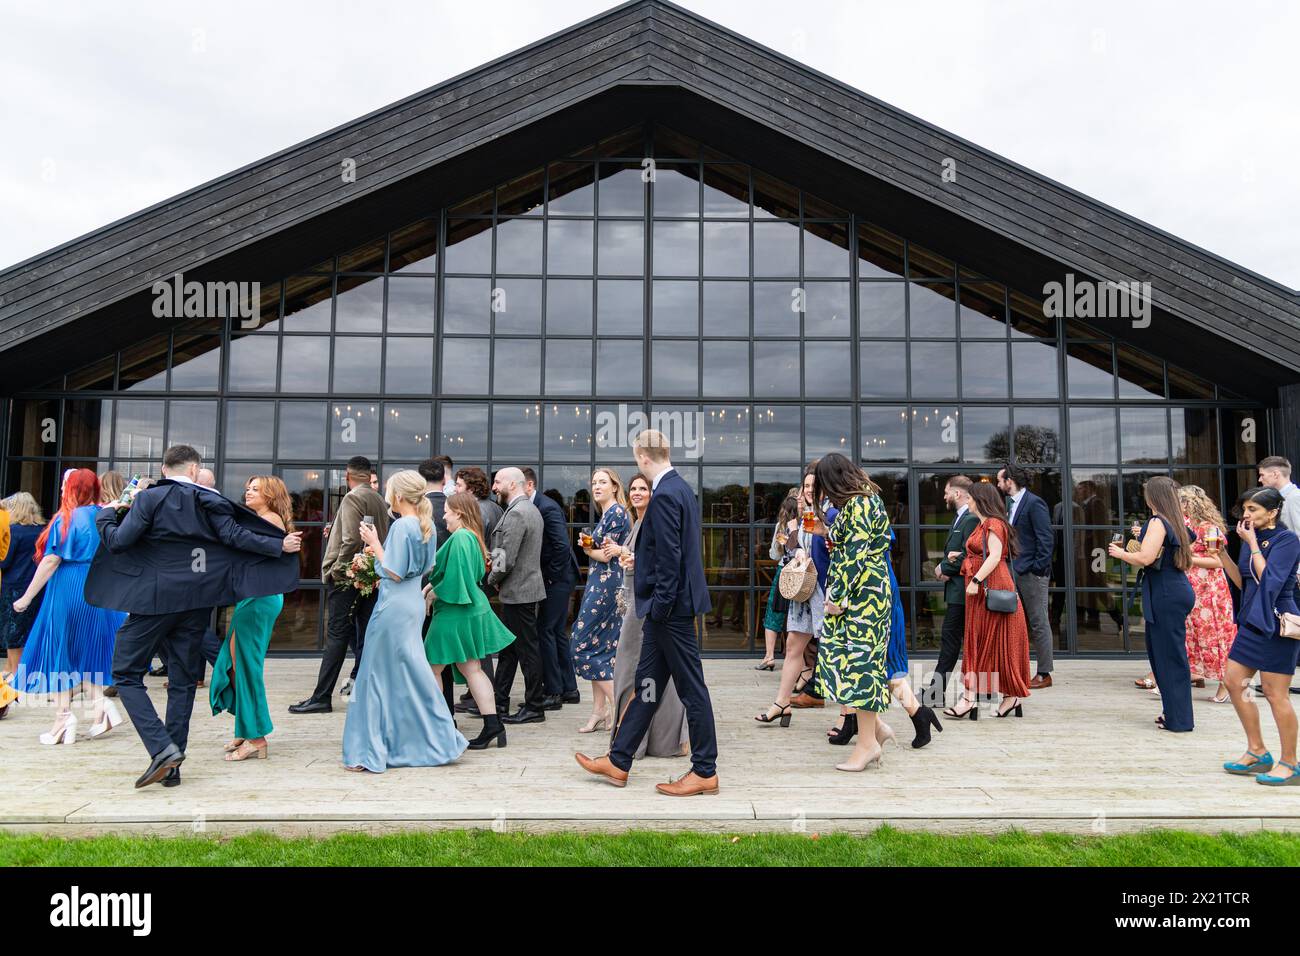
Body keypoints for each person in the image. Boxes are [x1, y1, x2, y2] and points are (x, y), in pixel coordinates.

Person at [85, 445, 300, 788]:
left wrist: (106, 516)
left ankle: (161, 749)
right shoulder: (209, 500)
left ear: (163, 467)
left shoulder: (149, 499)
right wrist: (278, 547)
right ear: (195, 469)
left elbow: (118, 543)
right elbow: (234, 536)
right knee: (183, 682)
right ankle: (172, 769)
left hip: (153, 603)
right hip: (197, 602)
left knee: (125, 674)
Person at [576, 429, 719, 797]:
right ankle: (620, 759)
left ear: (642, 456)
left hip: (669, 612)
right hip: (665, 611)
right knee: (648, 687)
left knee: (692, 689)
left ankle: (705, 770)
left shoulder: (667, 494)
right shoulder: (680, 489)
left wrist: (658, 608)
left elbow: (671, 562)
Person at [343, 471, 467, 771]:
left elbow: (395, 571)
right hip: (411, 602)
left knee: (377, 674)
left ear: (398, 495)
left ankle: (371, 748)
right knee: (410, 673)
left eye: (388, 490)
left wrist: (374, 544)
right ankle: (436, 737)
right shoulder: (426, 526)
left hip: (394, 605)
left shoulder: (401, 526)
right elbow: (427, 566)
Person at [12, 469, 126, 744]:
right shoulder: (103, 515)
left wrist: (26, 598)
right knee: (88, 648)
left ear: (72, 489)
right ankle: (100, 706)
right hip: (97, 588)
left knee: (61, 648)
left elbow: (51, 561)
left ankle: (64, 717)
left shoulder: (66, 518)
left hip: (68, 587)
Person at [805, 454, 895, 773]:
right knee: (853, 661)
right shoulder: (867, 501)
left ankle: (867, 743)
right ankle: (876, 728)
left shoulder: (858, 505)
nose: (825, 495)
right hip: (869, 590)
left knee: (860, 664)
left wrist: (837, 597)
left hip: (862, 596)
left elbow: (853, 557)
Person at [290, 456, 389, 714]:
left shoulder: (352, 497)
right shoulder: (379, 499)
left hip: (349, 578)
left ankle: (322, 697)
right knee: (366, 636)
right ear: (369, 475)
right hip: (370, 576)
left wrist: (338, 569)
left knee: (336, 636)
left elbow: (350, 539)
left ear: (348, 476)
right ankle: (366, 693)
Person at [1217, 487, 1300, 784]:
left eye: (1253, 509)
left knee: (1276, 694)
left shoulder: (1286, 540)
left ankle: (1290, 763)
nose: (1246, 515)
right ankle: (1257, 751)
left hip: (1276, 623)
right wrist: (1223, 554)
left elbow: (1271, 582)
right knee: (1233, 681)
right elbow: (1245, 581)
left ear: (1273, 511)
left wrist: (1252, 544)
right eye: (1245, 510)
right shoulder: (1250, 538)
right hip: (1251, 621)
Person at [209, 476, 295, 762]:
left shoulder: (269, 519)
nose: (248, 491)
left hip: (261, 598)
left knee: (246, 667)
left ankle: (256, 738)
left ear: (270, 495)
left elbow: (248, 546)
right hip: (253, 596)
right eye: (247, 487)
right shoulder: (261, 519)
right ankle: (245, 727)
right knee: (232, 663)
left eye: (256, 489)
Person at [423, 492, 516, 750]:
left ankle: (439, 725)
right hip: (469, 608)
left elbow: (456, 579)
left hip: (455, 611)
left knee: (433, 668)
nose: (443, 516)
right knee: (472, 669)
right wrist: (433, 587)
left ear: (459, 513)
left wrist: (433, 591)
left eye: (447, 512)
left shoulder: (461, 537)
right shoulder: (471, 537)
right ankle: (492, 725)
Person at [607, 473, 688, 759]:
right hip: (634, 605)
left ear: (653, 494)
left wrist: (631, 557)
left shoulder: (654, 520)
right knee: (650, 675)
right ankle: (646, 741)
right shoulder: (638, 522)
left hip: (645, 610)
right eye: (634, 488)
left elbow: (666, 562)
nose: (637, 492)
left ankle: (637, 741)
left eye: (643, 488)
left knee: (631, 671)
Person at [1107, 476, 1196, 732]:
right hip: (1173, 588)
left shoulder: (1158, 521)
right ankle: (1173, 714)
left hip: (1166, 592)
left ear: (1153, 496)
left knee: (1168, 657)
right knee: (1165, 656)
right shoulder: (1173, 520)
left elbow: (1146, 557)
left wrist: (1120, 553)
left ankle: (1179, 720)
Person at [947, 481, 1031, 720]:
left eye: (971, 498)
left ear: (980, 500)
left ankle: (972, 699)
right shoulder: (983, 524)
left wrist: (975, 581)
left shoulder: (994, 523)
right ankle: (984, 698)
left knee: (986, 643)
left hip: (990, 586)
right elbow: (982, 552)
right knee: (981, 643)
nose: (968, 501)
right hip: (982, 589)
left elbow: (995, 556)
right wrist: (962, 557)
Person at [755, 464, 825, 726]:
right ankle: (782, 703)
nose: (808, 490)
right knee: (794, 645)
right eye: (805, 486)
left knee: (833, 651)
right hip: (803, 591)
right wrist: (796, 542)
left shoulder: (830, 514)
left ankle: (851, 715)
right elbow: (791, 549)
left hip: (824, 592)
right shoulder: (801, 518)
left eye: (813, 486)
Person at [570, 468, 631, 732]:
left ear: (615, 487)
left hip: (606, 588)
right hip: (601, 584)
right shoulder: (608, 513)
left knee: (581, 645)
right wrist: (591, 545)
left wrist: (586, 548)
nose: (596, 487)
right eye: (594, 482)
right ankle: (600, 712)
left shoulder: (617, 513)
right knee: (602, 649)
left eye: (602, 482)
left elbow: (606, 556)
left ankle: (624, 708)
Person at [488, 467, 548, 723]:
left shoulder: (517, 513)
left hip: (519, 591)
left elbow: (506, 558)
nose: (494, 487)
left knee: (525, 651)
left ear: (512, 484)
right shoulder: (528, 509)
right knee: (512, 650)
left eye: (498, 482)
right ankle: (499, 702)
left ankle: (534, 705)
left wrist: (491, 580)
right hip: (522, 590)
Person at [522, 466, 582, 711]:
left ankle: (554, 692)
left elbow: (560, 546)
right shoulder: (536, 506)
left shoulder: (546, 507)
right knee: (556, 632)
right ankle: (569, 689)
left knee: (546, 630)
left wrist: (550, 580)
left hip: (558, 578)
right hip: (555, 578)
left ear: (529, 485)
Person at [997, 463, 1054, 689]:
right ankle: (1014, 669)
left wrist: (1036, 569)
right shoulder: (1008, 504)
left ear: (1010, 481)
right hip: (1012, 571)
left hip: (1031, 573)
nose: (998, 484)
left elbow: (1046, 540)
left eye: (1000, 480)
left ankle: (1044, 673)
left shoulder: (1034, 503)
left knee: (1038, 621)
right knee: (1012, 620)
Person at [1178, 485, 1237, 704]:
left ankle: (1226, 683)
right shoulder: (1184, 526)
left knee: (1216, 635)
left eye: (1180, 502)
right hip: (1190, 588)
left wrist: (1188, 560)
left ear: (1189, 503)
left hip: (1210, 591)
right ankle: (1192, 675)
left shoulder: (1209, 528)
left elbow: (1218, 561)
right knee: (1191, 635)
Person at [925, 476, 980, 707]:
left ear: (957, 494)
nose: (944, 496)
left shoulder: (969, 520)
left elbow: (970, 556)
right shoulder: (960, 519)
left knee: (951, 641)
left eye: (947, 492)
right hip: (957, 592)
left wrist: (943, 567)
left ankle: (936, 694)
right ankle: (938, 693)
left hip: (963, 593)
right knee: (955, 642)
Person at [0, 493, 44, 717]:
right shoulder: (41, 531)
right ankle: (25, 671)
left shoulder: (14, 532)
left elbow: (4, 561)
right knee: (29, 629)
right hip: (37, 587)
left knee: (12, 631)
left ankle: (13, 672)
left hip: (13, 586)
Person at [757, 489, 799, 671]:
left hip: (784, 572)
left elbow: (775, 555)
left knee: (774, 613)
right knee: (797, 615)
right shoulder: (806, 523)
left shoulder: (781, 527)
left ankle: (769, 656)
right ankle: (796, 658)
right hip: (803, 572)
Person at [1258, 456, 1300, 535]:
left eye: (1262, 475)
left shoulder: (1295, 497)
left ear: (1275, 474)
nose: (1259, 479)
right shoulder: (1279, 498)